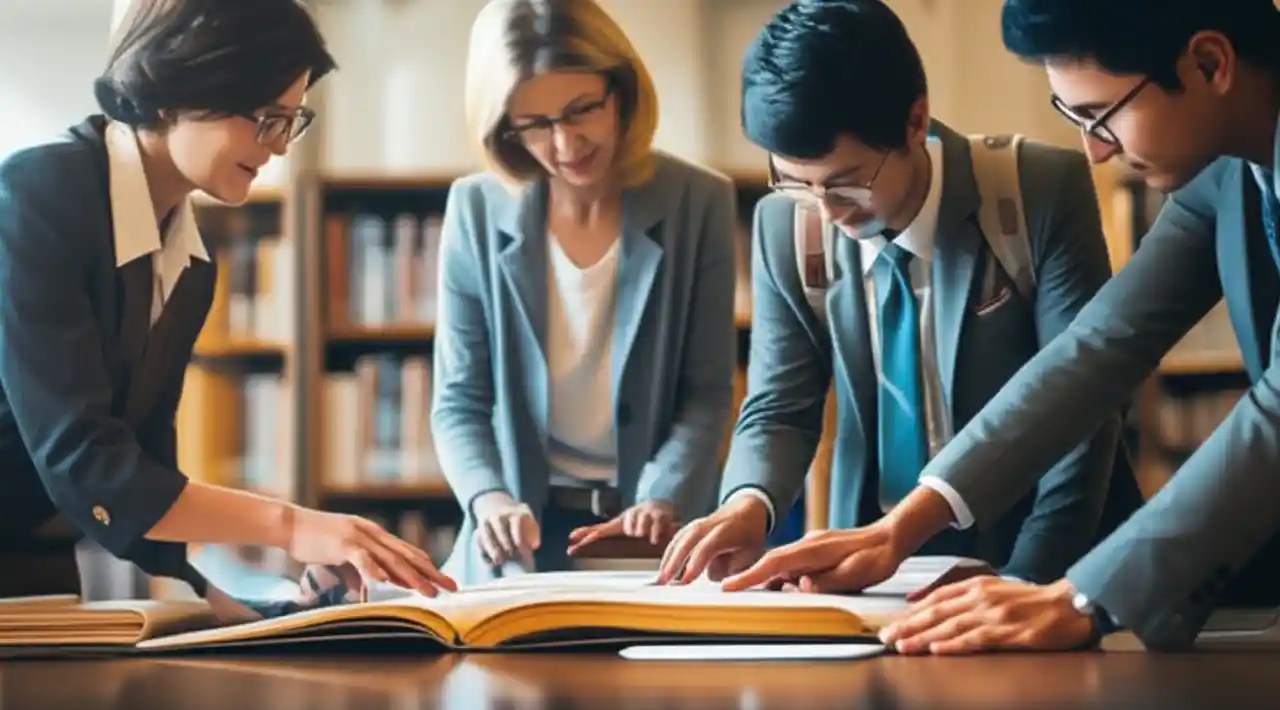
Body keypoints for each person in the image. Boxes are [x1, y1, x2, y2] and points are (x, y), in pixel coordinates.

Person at [723, 0, 1280, 654]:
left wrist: (1080, 593)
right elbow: (1095, 352)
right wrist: (899, 528)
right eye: (1072, 118)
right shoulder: (1223, 175)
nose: (1096, 151)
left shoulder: (1047, 191)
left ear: (1209, 63)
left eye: (1101, 116)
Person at [656, 0, 1137, 588]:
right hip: (869, 569)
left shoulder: (1036, 191)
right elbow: (781, 402)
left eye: (846, 183)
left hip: (1037, 552)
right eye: (796, 182)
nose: (827, 212)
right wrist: (746, 502)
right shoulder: (787, 224)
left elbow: (1082, 412)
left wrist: (1024, 583)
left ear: (915, 122)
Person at [0, 0, 455, 604]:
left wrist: (262, 607)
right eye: (265, 117)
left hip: (39, 572)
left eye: (291, 121)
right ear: (177, 88)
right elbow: (90, 468)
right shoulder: (39, 196)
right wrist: (294, 526)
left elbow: (146, 486)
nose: (280, 146)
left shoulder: (192, 268)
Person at [432, 0, 737, 584]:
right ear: (506, 128)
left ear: (620, 92)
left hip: (657, 537)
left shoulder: (699, 202)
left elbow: (706, 393)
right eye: (536, 125)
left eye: (581, 111)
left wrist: (664, 494)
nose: (565, 143)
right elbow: (458, 401)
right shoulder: (474, 209)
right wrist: (489, 498)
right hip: (520, 543)